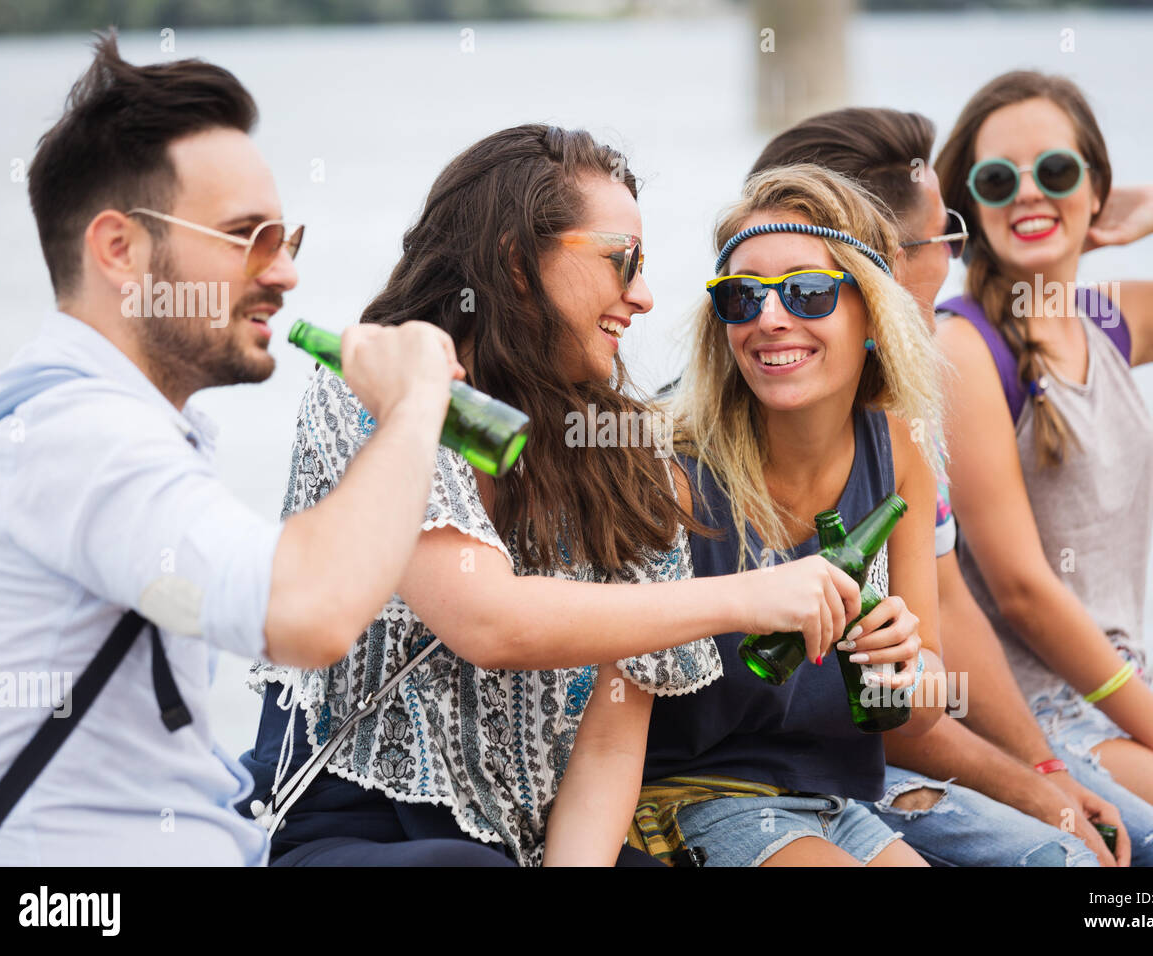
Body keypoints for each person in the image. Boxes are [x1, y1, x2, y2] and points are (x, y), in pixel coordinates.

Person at [242, 125, 862, 867]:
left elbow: (611, 733)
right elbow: (487, 620)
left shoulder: (629, 453)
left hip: (539, 846)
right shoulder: (371, 390)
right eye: (620, 261)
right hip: (357, 826)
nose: (642, 295)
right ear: (514, 262)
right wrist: (748, 596)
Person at [0, 34, 467, 866]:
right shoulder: (80, 436)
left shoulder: (72, 418)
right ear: (119, 249)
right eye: (247, 237)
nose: (284, 274)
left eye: (287, 239)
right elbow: (307, 613)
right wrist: (415, 404)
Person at [747, 107, 1153, 866]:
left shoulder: (901, 425)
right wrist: (1046, 779)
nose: (956, 256)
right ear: (886, 259)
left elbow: (942, 634)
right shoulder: (937, 368)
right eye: (950, 235)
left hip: (945, 743)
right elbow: (1005, 604)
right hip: (817, 783)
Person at [933, 70, 1153, 865]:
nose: (1028, 195)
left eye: (1055, 172)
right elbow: (1022, 591)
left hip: (1129, 694)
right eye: (997, 180)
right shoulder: (963, 347)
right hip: (1048, 715)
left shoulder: (1113, 319)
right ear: (971, 206)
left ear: (1095, 190)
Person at [635, 162, 947, 867]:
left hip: (838, 799)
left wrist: (906, 664)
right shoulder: (672, 476)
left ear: (871, 312)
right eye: (741, 297)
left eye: (808, 293)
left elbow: (923, 708)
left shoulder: (900, 452)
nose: (770, 318)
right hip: (689, 801)